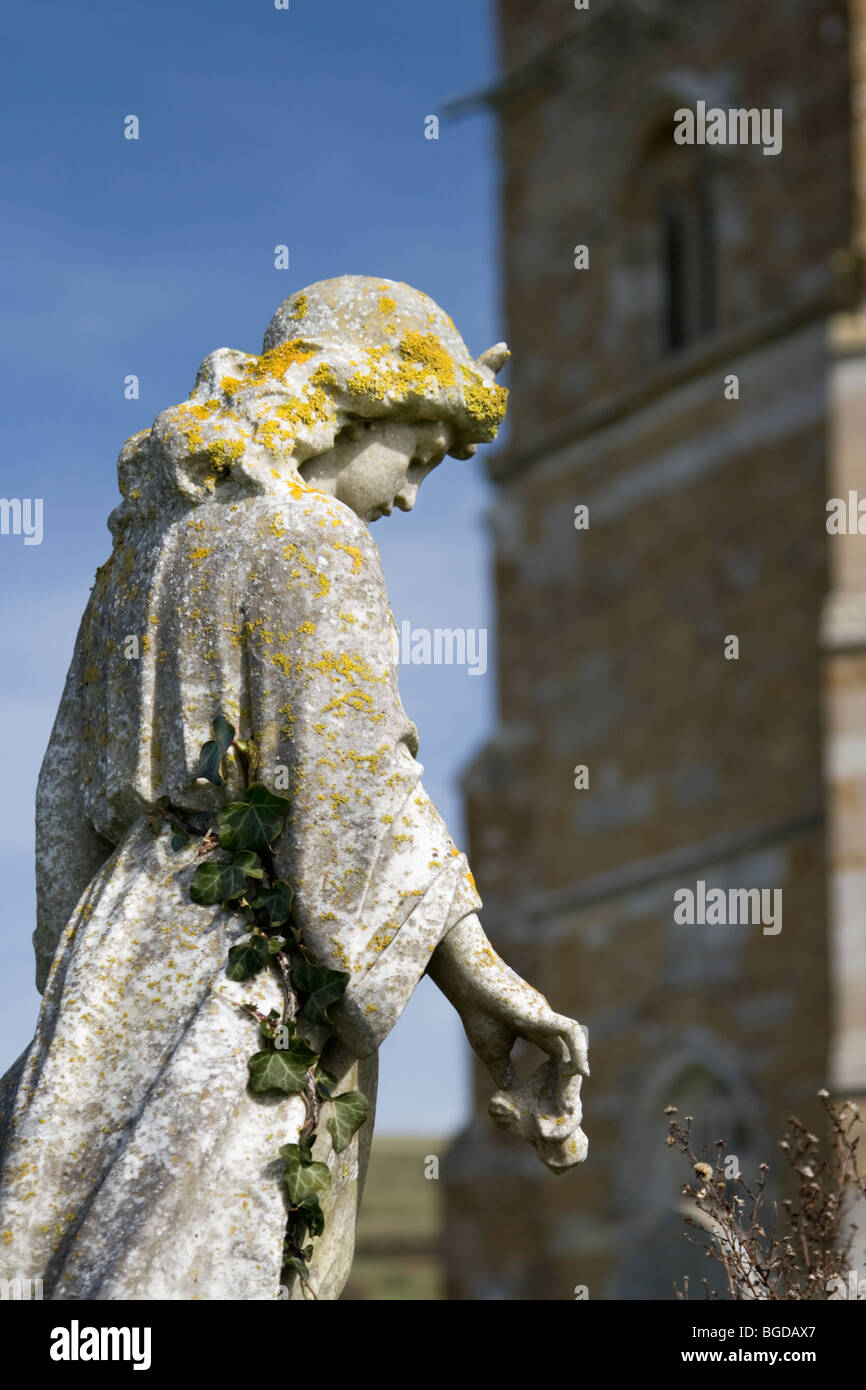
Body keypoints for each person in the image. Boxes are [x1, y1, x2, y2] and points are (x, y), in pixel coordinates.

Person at [0, 276, 588, 1300]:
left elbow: (62, 809)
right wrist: (477, 975)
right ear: (350, 402)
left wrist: (79, 985)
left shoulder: (142, 555)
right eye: (418, 453)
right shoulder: (313, 543)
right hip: (237, 967)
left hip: (117, 958)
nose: (409, 494)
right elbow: (345, 816)